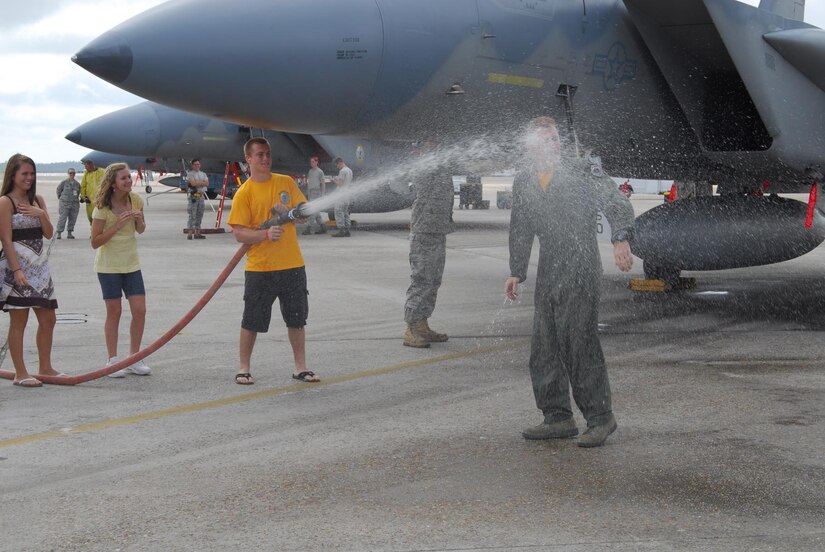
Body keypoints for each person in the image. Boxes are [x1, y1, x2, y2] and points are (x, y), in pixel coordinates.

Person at [504, 117, 634, 448]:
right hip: (549, 268)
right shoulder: (525, 181)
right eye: (546, 139)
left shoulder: (581, 170)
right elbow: (520, 227)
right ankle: (557, 417)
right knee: (544, 345)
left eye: (556, 138)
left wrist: (620, 239)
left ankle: (601, 418)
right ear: (531, 146)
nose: (554, 144)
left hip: (580, 264)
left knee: (579, 343)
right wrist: (516, 271)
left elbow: (614, 200)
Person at [227, 137, 319, 385]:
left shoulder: (285, 182)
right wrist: (265, 234)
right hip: (261, 268)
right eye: (259, 155)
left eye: (267, 154)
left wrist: (286, 212)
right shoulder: (244, 193)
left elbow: (305, 216)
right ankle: (244, 367)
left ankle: (301, 367)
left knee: (297, 318)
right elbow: (239, 234)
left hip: (291, 264)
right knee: (252, 320)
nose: (265, 159)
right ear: (248, 159)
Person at [0, 153, 60, 387]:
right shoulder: (6, 202)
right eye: (24, 173)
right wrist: (16, 270)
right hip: (18, 268)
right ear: (13, 175)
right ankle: (20, 373)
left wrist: (41, 214)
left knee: (49, 319)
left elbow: (48, 233)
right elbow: (5, 239)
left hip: (40, 268)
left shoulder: (38, 200)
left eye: (32, 173)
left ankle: (45, 367)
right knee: (19, 321)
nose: (29, 178)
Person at [90, 163, 151, 378]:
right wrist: (117, 224)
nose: (128, 181)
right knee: (114, 312)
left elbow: (141, 230)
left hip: (131, 263)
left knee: (140, 310)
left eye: (129, 176)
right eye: (124, 178)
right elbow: (95, 242)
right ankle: (113, 359)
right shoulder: (102, 208)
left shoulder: (136, 200)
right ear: (113, 184)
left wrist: (139, 220)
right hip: (109, 266)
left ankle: (134, 357)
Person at [403, 160, 454, 348]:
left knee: (433, 280)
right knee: (421, 279)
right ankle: (411, 328)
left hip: (438, 229)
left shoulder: (443, 165)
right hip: (424, 230)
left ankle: (422, 324)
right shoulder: (424, 165)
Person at [302, 156, 327, 235]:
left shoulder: (320, 172)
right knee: (316, 211)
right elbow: (308, 182)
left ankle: (308, 228)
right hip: (310, 192)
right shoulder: (310, 171)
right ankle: (323, 227)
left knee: (312, 210)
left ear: (316, 162)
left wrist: (322, 194)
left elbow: (323, 183)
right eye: (311, 162)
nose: (311, 163)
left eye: (313, 162)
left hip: (316, 192)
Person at [185, 159, 209, 240]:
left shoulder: (203, 174)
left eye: (198, 164)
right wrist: (201, 183)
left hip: (201, 196)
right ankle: (190, 233)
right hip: (193, 197)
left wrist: (197, 183)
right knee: (192, 214)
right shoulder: (190, 174)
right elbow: (193, 184)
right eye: (195, 164)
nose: (197, 166)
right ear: (192, 165)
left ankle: (197, 233)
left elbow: (207, 183)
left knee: (200, 214)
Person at [55, 167, 81, 239]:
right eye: (70, 173)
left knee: (72, 219)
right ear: (68, 173)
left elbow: (78, 193)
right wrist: (61, 199)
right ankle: (59, 233)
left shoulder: (77, 184)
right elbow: (58, 191)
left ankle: (69, 233)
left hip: (74, 204)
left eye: (73, 173)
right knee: (62, 218)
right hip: (64, 204)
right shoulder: (64, 183)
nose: (72, 174)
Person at [331, 157, 352, 238]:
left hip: (341, 195)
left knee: (338, 211)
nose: (337, 167)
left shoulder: (342, 171)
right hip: (347, 194)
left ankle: (341, 230)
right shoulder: (349, 170)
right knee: (346, 212)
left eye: (337, 165)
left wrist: (333, 180)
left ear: (340, 162)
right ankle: (347, 230)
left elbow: (340, 183)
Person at [80, 159, 105, 224]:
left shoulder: (101, 171)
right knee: (91, 216)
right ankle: (93, 231)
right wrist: (83, 196)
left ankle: (99, 232)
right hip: (90, 201)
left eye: (86, 166)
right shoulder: (86, 174)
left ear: (91, 165)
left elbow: (106, 183)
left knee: (100, 216)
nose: (85, 168)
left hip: (100, 199)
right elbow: (83, 186)